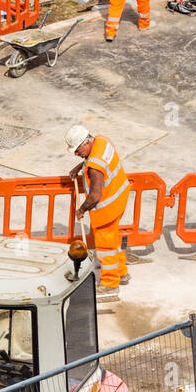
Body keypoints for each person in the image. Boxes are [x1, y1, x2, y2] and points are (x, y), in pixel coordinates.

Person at [65, 124, 132, 292]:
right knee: (113, 241)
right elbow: (94, 158)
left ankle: (110, 284)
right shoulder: (102, 140)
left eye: (77, 149)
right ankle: (122, 272)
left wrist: (81, 210)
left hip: (106, 209)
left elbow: (94, 196)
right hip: (119, 198)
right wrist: (80, 167)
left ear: (86, 143)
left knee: (105, 248)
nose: (75, 153)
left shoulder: (95, 169)